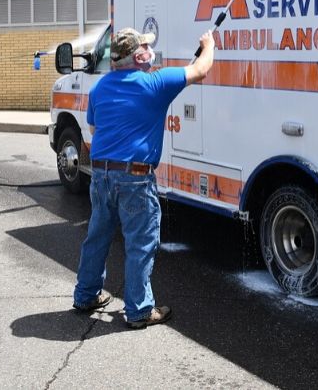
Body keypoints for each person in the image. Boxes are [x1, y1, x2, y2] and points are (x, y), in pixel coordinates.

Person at [72, 27, 215, 329]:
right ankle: (138, 311)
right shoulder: (155, 83)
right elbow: (201, 69)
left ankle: (85, 295)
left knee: (98, 235)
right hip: (135, 179)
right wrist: (208, 43)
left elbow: (96, 130)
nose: (151, 51)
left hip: (101, 173)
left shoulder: (100, 88)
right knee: (139, 243)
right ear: (139, 56)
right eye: (147, 47)